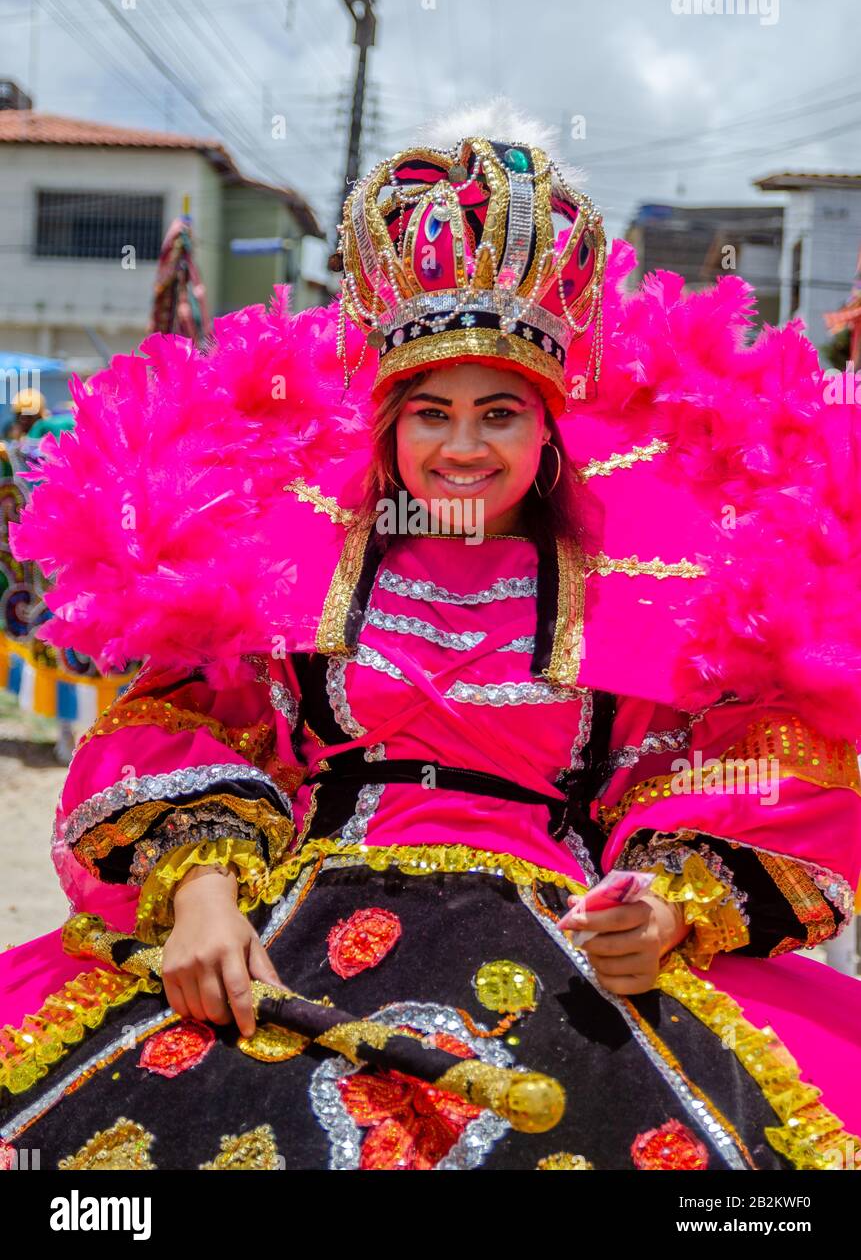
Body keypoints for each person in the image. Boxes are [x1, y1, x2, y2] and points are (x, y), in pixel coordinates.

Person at [1, 107, 861, 1172]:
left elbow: (726, 762)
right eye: (430, 413)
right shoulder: (285, 558)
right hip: (293, 923)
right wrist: (206, 900)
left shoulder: (649, 584)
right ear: (387, 423)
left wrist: (664, 905)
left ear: (547, 427)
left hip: (568, 949)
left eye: (499, 411)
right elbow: (180, 722)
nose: (463, 447)